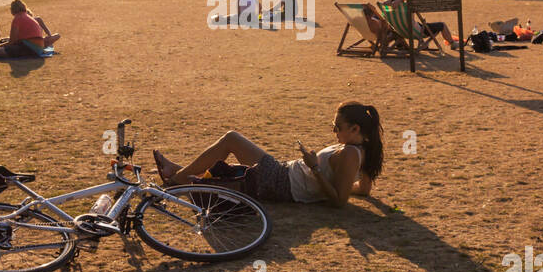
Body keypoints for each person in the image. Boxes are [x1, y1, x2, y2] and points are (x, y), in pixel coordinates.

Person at [152, 102, 383, 207]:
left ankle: (176, 180)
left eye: (337, 127)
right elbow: (362, 190)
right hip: (285, 176)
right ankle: (180, 173)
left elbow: (340, 201)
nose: (334, 131)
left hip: (282, 182)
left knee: (232, 139)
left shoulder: (351, 153)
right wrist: (326, 182)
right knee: (230, 164)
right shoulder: (363, 150)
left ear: (355, 129)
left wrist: (315, 168)